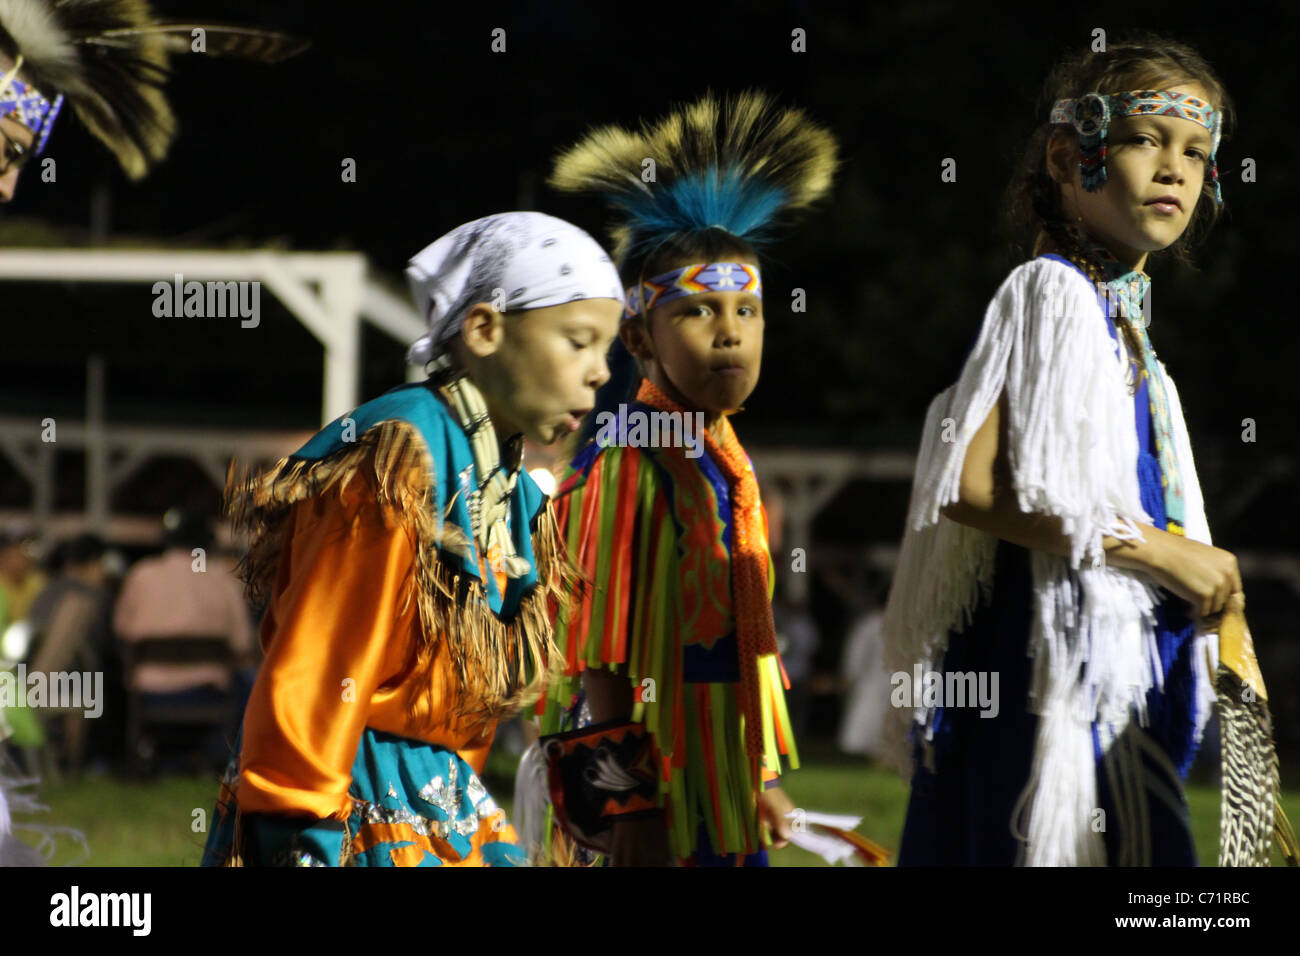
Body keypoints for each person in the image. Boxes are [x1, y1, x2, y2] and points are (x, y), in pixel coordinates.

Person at [882, 36, 1239, 866]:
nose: (1174, 169)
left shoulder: (1124, 333)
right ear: (1066, 152)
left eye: (1196, 151)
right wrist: (1161, 553)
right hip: (1052, 677)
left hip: (1095, 671)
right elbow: (967, 486)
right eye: (1147, 139)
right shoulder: (1053, 295)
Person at [200, 211, 623, 867]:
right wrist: (295, 827)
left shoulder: (504, 482)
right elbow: (320, 659)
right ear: (485, 329)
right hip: (337, 795)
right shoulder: (399, 458)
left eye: (606, 350)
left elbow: (482, 688)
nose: (599, 372)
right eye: (577, 341)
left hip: (438, 794)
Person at [536, 91, 838, 866]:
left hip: (720, 778)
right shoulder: (630, 456)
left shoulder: (719, 455)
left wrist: (759, 775)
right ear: (638, 334)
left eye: (748, 308)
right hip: (657, 786)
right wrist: (624, 800)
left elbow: (737, 646)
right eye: (699, 311)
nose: (731, 330)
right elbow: (598, 646)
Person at [114, 509, 255, 770]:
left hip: (148, 691)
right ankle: (234, 760)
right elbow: (242, 644)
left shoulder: (142, 574)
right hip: (207, 692)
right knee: (252, 679)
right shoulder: (223, 580)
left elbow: (122, 630)